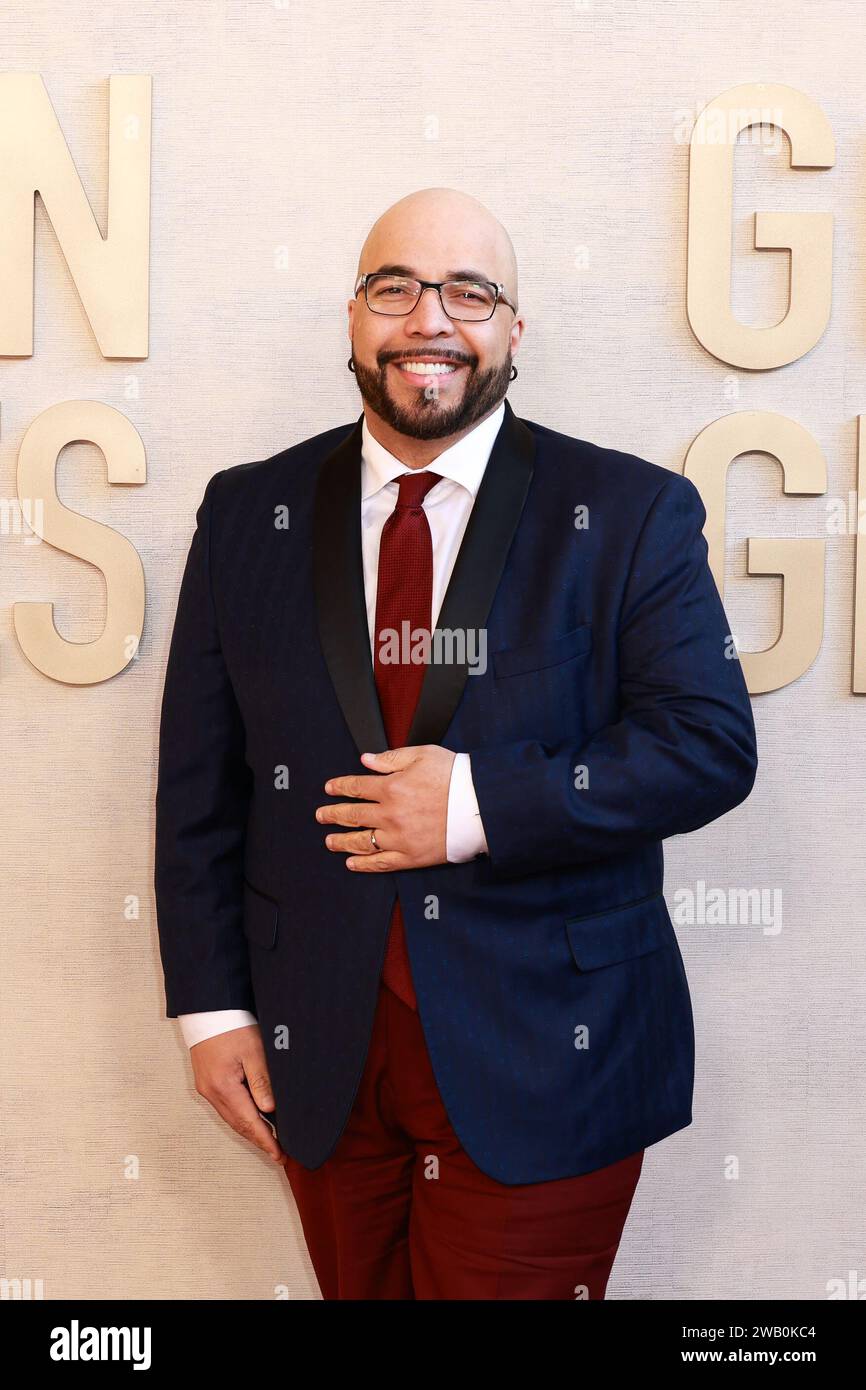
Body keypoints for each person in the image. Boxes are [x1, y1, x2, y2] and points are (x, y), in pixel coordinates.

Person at [154, 186, 758, 1300]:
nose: (429, 318)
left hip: (548, 1049)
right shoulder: (248, 512)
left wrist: (479, 804)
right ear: (354, 317)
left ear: (511, 329)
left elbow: (707, 743)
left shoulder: (629, 512)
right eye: (396, 288)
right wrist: (214, 1009)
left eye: (467, 291)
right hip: (317, 1055)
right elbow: (198, 787)